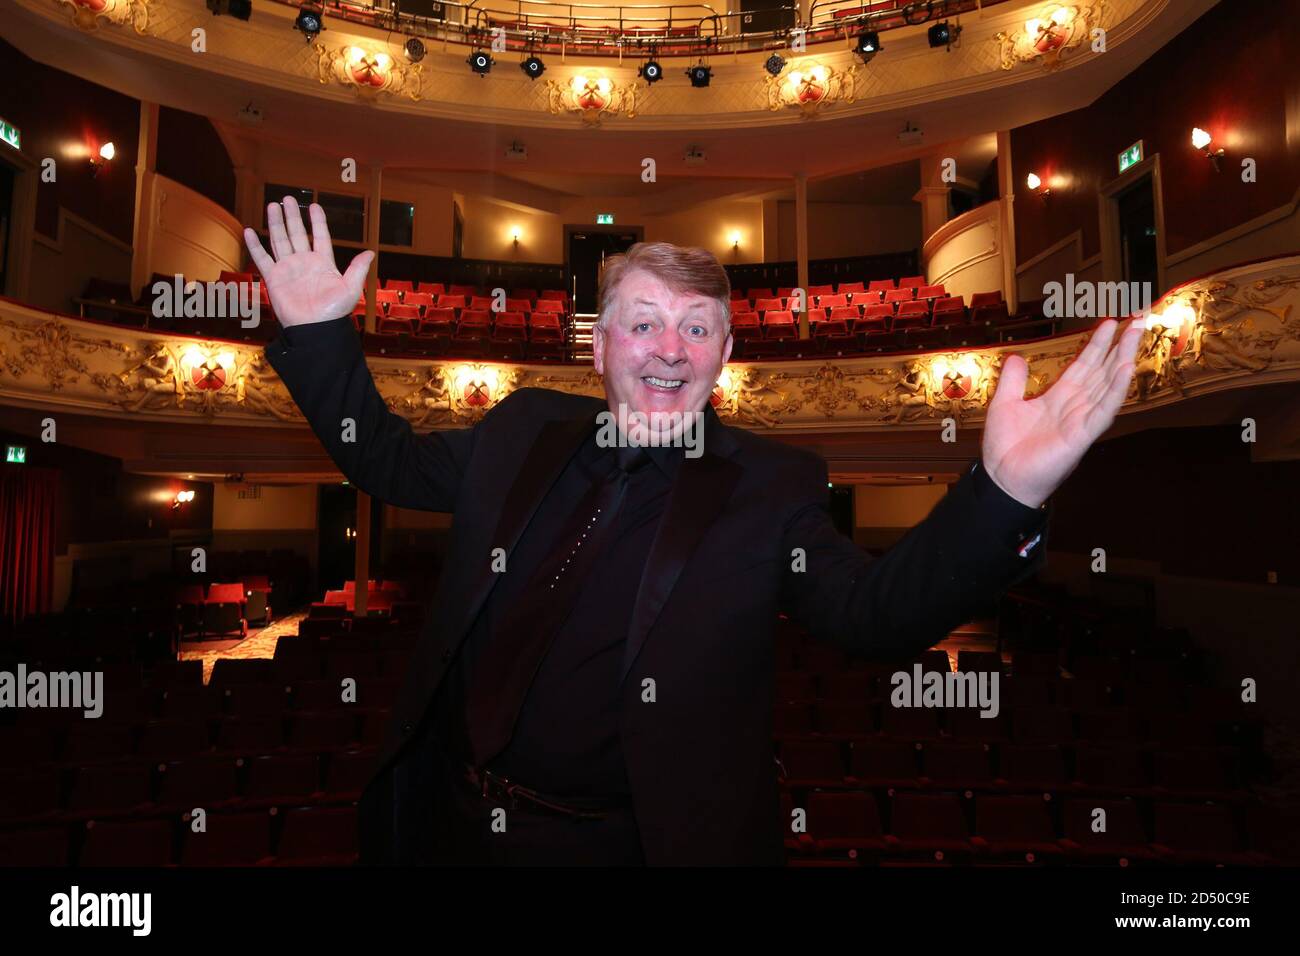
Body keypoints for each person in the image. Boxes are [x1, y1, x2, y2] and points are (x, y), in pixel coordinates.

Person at [245, 196, 1143, 865]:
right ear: (598, 348)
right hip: (451, 825)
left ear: (722, 357)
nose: (669, 348)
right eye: (642, 324)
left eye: (696, 328)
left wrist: (1003, 494)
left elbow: (875, 615)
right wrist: (324, 336)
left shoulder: (773, 485)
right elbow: (387, 464)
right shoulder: (521, 427)